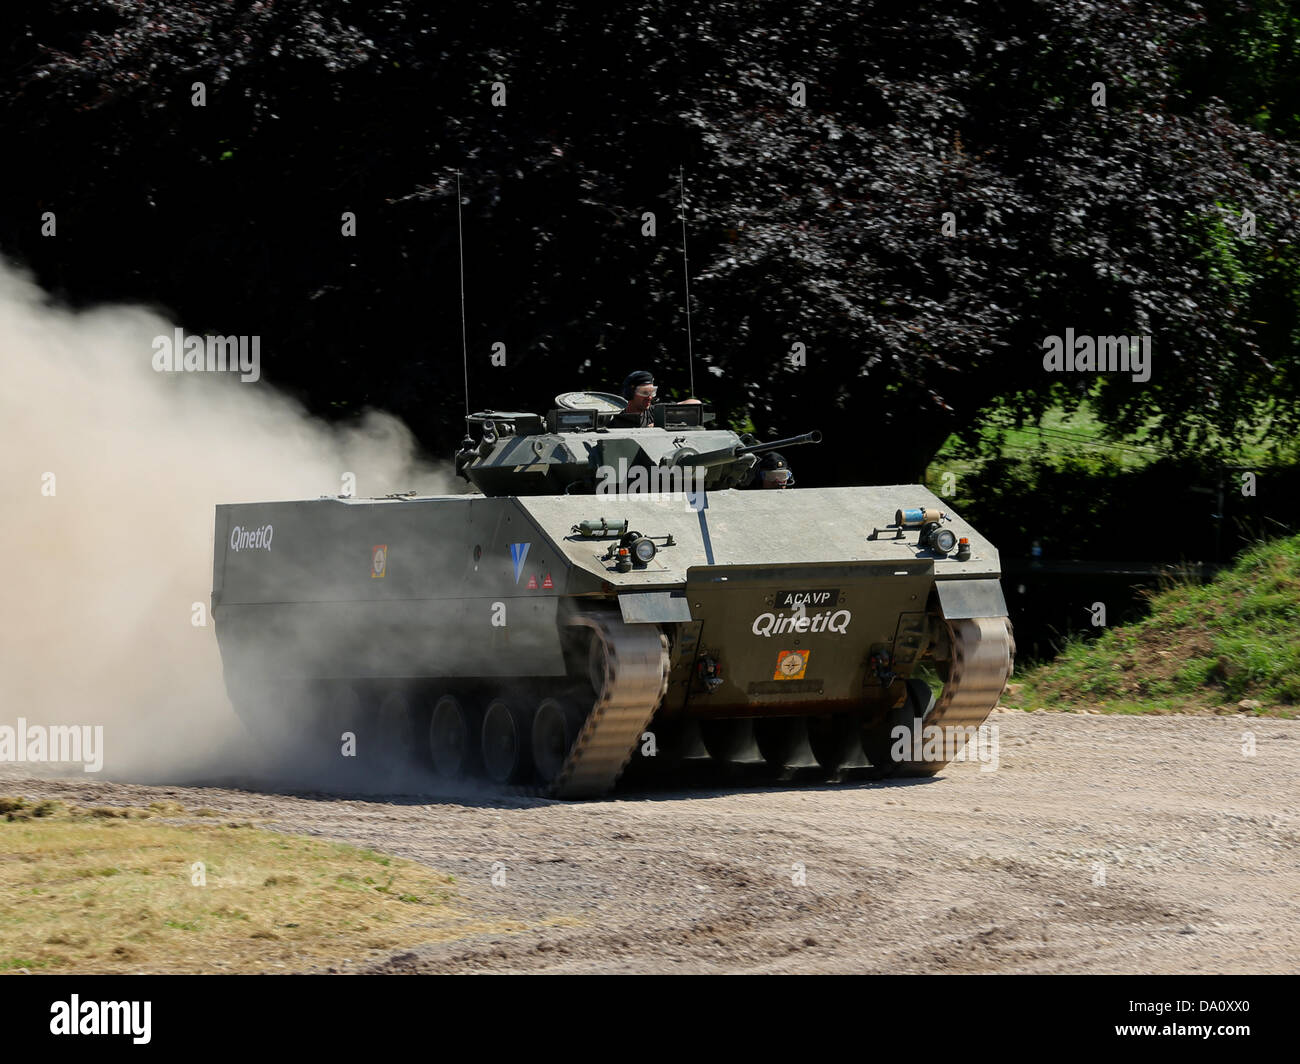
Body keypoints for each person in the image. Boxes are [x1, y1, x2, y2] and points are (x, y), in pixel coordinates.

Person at [608, 370, 701, 428]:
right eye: (644, 392)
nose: (649, 397)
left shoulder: (656, 412)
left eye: (652, 392)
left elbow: (696, 403)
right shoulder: (616, 420)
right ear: (630, 393)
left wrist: (660, 424)